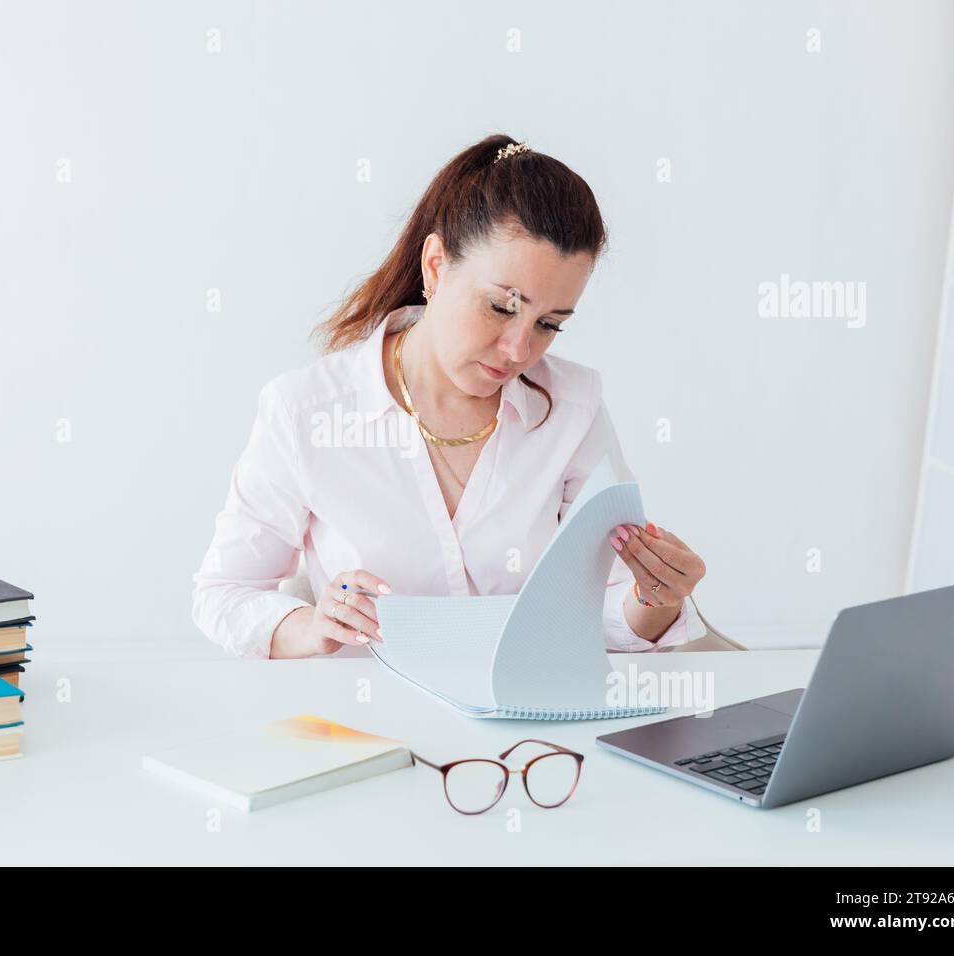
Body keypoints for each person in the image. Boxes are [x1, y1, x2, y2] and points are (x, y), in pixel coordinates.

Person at [193, 134, 707, 659]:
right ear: (436, 266)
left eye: (549, 324)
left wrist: (656, 597)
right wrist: (315, 625)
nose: (518, 349)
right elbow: (224, 594)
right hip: (369, 725)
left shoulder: (573, 407)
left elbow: (604, 612)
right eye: (502, 308)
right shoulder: (305, 411)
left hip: (528, 731)